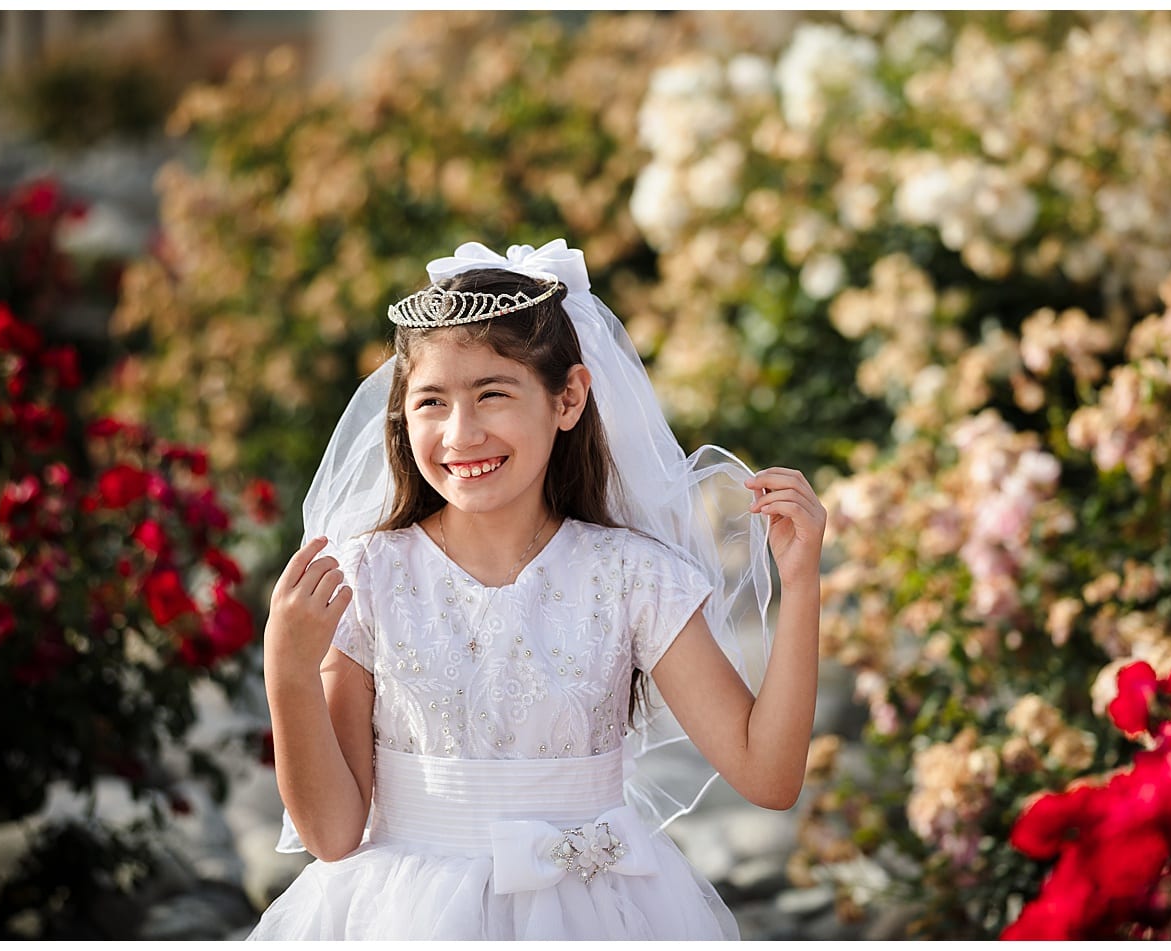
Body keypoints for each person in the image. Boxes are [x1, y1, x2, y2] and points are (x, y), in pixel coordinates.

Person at [249, 240, 825, 939]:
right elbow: (334, 834)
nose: (461, 433)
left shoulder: (630, 575)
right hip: (408, 917)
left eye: (492, 392)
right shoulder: (371, 576)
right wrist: (288, 672)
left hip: (599, 914)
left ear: (568, 397)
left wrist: (800, 587)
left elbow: (770, 776)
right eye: (431, 401)